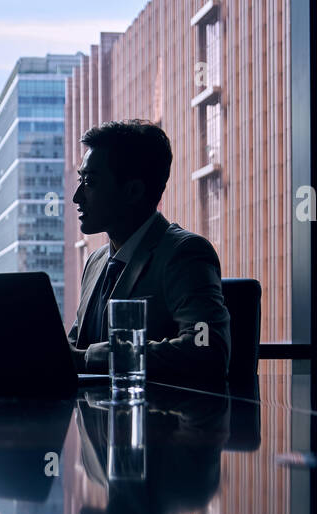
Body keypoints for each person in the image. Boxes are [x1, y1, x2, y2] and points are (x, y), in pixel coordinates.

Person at [68, 120, 231, 383]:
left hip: (161, 419)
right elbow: (73, 351)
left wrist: (95, 357)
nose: (77, 196)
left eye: (90, 182)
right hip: (96, 420)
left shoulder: (185, 255)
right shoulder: (96, 262)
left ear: (133, 191)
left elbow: (206, 348)